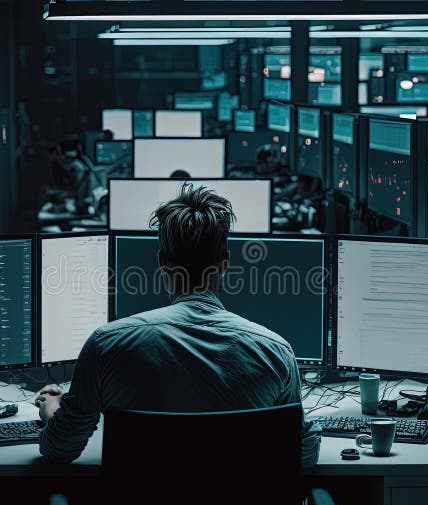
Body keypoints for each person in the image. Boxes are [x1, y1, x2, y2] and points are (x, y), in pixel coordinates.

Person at [35, 184, 320, 467]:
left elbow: (58, 449)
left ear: (162, 261)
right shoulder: (277, 352)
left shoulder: (105, 344)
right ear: (225, 263)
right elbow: (305, 457)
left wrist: (52, 409)